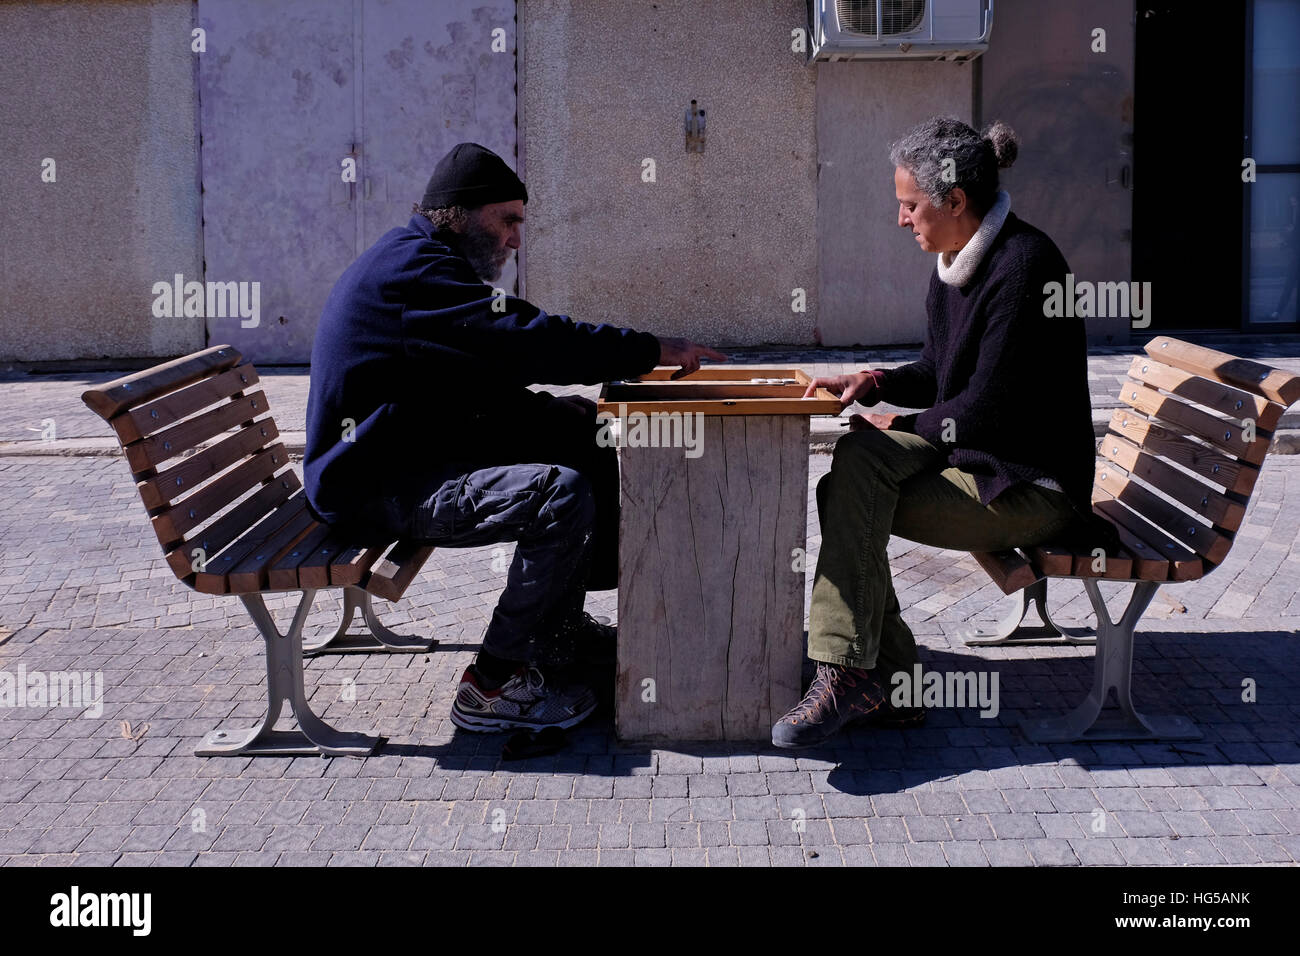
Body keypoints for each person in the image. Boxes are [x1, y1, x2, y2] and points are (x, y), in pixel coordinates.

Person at [304, 142, 724, 734]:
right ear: (460, 212)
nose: (515, 240)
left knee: (581, 425)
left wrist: (564, 416)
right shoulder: (416, 275)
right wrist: (651, 350)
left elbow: (478, 382)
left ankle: (559, 630)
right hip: (374, 488)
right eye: (508, 221)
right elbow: (528, 339)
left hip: (403, 459)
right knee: (558, 493)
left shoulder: (420, 262)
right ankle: (493, 683)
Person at [772, 117, 1104, 749]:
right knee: (850, 475)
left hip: (1030, 487)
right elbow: (937, 373)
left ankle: (859, 673)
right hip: (983, 462)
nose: (902, 220)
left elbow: (985, 409)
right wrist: (874, 383)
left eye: (909, 205)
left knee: (854, 482)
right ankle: (875, 679)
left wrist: (897, 422)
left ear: (954, 200)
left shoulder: (1027, 268)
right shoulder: (955, 263)